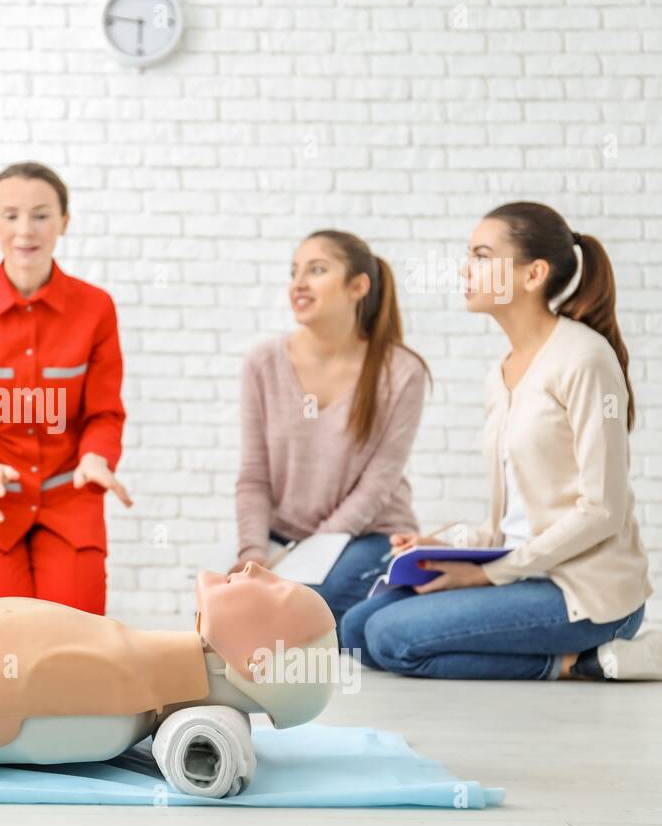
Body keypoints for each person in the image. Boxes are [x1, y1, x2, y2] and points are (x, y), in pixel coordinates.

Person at [340, 202, 658, 680]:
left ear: (534, 275)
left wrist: (487, 574)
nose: (466, 269)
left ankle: (582, 662)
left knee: (392, 637)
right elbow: (516, 520)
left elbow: (603, 510)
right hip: (520, 572)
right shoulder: (502, 372)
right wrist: (451, 547)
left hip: (580, 591)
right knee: (358, 628)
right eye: (468, 255)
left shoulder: (585, 359)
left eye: (483, 256)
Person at [0, 162, 131, 615]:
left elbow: (104, 414)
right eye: (10, 215)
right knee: (2, 638)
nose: (25, 230)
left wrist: (96, 456)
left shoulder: (96, 308)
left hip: (68, 501)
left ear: (64, 222)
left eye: (40, 215)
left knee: (71, 640)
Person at [233, 230, 429, 619]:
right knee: (227, 609)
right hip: (283, 536)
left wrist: (308, 554)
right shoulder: (263, 362)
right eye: (294, 272)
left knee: (312, 606)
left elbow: (378, 485)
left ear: (358, 286)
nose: (298, 284)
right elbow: (254, 477)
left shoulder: (402, 371)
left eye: (317, 270)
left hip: (365, 534)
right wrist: (252, 556)